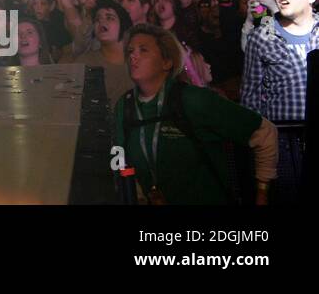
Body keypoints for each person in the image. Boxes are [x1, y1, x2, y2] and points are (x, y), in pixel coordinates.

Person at [114, 25, 277, 205]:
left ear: (166, 62)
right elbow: (120, 160)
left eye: (143, 50)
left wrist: (262, 194)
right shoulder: (125, 105)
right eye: (130, 51)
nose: (133, 56)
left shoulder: (193, 99)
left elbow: (265, 132)